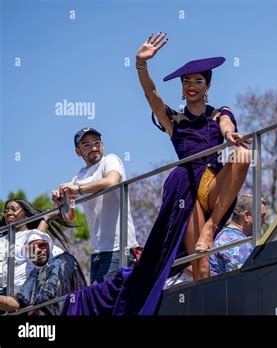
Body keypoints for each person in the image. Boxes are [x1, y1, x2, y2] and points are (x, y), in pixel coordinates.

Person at [62, 33, 251, 316]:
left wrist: (229, 135)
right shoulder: (174, 120)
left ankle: (212, 226)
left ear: (208, 86)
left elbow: (226, 123)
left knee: (244, 154)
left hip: (215, 187)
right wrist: (141, 65)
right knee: (201, 265)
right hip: (187, 188)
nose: (191, 86)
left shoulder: (219, 113)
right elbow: (151, 95)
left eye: (198, 81)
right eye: (187, 81)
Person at [51, 128, 140, 284]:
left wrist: (78, 189)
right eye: (86, 145)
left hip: (120, 246)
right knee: (98, 301)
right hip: (98, 251)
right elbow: (69, 216)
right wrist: (61, 201)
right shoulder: (79, 176)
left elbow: (111, 181)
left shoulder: (110, 160)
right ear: (78, 152)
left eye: (96, 143)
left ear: (103, 145)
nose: (93, 148)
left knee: (104, 300)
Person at [0, 231, 86, 315]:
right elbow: (18, 302)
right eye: (33, 249)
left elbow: (47, 295)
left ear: (49, 247)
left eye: (42, 246)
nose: (38, 251)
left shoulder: (63, 261)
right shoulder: (35, 275)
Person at [0, 199, 69, 294]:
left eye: (14, 209)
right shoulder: (2, 240)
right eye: (6, 211)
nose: (9, 213)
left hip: (23, 291)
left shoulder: (33, 235)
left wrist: (46, 219)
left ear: (26, 214)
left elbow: (38, 259)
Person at [210, 195, 267, 276]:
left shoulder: (223, 235)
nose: (264, 221)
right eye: (262, 216)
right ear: (246, 216)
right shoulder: (239, 243)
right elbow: (247, 278)